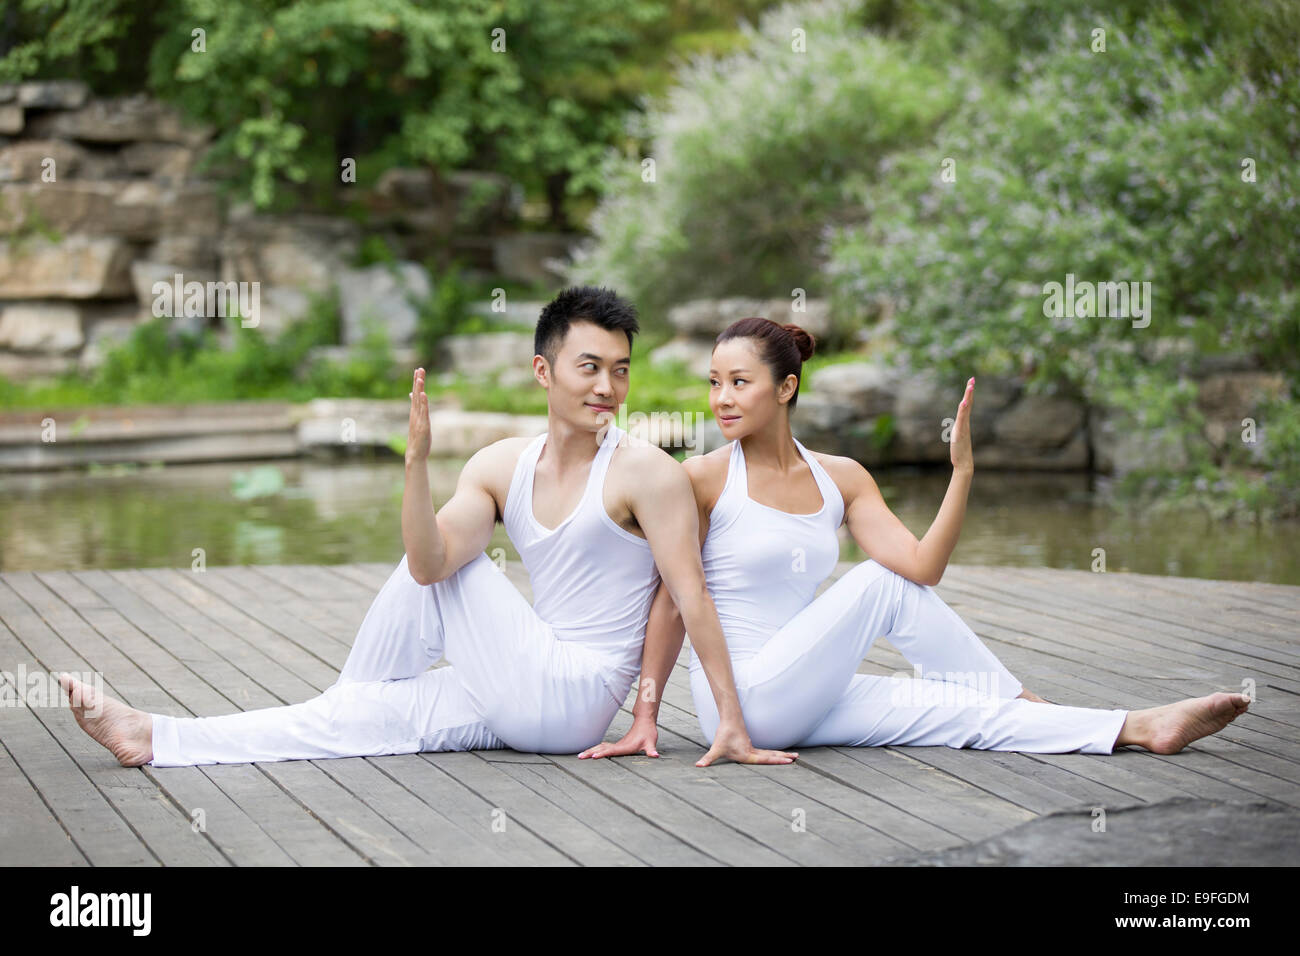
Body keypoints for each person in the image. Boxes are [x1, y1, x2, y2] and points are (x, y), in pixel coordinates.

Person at [59, 288, 798, 769]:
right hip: (520, 685)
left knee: (461, 572)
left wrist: (705, 720)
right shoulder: (502, 463)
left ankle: (347, 693)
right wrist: (414, 465)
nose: (608, 387)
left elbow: (686, 598)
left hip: (577, 695)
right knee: (360, 718)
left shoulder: (647, 474)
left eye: (622, 370)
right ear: (544, 372)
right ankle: (157, 738)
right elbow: (423, 561)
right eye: (589, 366)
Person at [581, 317, 1251, 760]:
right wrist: (647, 717)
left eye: (738, 382)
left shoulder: (840, 478)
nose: (720, 398)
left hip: (805, 689)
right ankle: (1019, 694)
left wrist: (961, 473)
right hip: (740, 700)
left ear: (785, 388)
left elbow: (923, 568)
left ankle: (1138, 727)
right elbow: (672, 601)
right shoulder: (699, 480)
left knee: (961, 710)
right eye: (714, 383)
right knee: (877, 581)